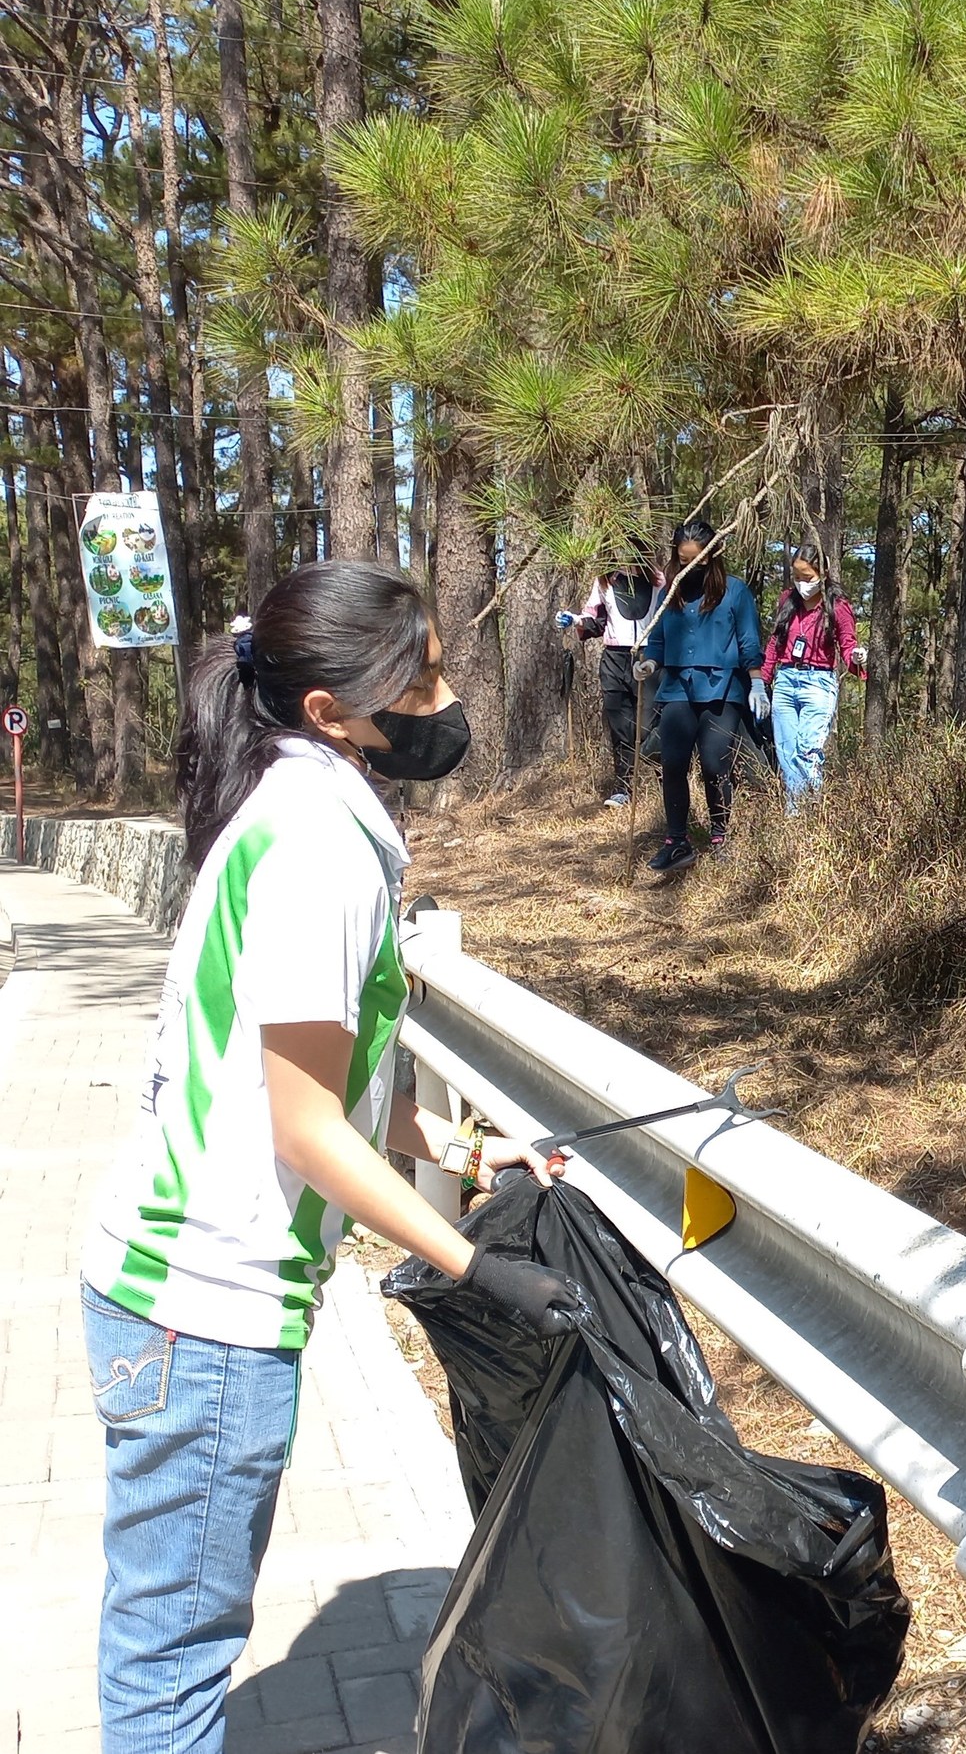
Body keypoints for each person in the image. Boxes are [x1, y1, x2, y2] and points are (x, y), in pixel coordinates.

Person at [80, 561, 581, 1754]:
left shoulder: (298, 807)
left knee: (162, 1640)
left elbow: (334, 1081)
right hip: (204, 1310)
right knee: (169, 1668)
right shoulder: (317, 847)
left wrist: (465, 1139)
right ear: (329, 709)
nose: (444, 697)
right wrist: (473, 1263)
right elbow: (304, 1128)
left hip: (171, 1295)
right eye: (419, 677)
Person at [636, 519, 766, 872]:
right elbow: (658, 642)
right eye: (682, 559)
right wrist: (648, 664)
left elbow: (749, 641)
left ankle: (720, 834)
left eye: (697, 560)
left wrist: (756, 682)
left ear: (711, 557)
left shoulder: (735, 592)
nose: (689, 567)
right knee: (672, 763)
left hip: (722, 689)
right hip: (678, 685)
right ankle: (677, 841)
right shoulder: (669, 594)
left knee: (714, 765)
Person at [557, 539, 663, 807]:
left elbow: (671, 616)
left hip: (648, 657)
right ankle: (624, 788)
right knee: (620, 724)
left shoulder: (659, 580)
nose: (625, 554)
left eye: (630, 547)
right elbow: (594, 618)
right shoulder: (604, 581)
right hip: (614, 658)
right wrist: (574, 620)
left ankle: (665, 783)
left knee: (650, 723)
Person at [762, 553, 864, 807]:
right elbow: (776, 641)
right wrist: (762, 680)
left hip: (818, 683)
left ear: (823, 575)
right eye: (796, 577)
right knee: (787, 754)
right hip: (785, 680)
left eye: (807, 577)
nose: (801, 583)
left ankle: (814, 811)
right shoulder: (787, 600)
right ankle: (794, 816)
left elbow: (848, 644)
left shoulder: (837, 607)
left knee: (808, 751)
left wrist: (857, 659)